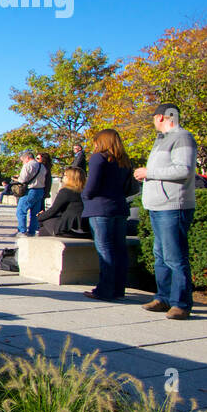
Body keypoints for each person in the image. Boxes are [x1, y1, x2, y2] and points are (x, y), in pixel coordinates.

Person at [134, 103, 198, 319]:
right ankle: (163, 297)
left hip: (173, 206)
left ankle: (181, 303)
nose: (152, 122)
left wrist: (148, 172)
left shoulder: (183, 137)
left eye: (153, 118)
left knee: (175, 257)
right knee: (160, 256)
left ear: (162, 117)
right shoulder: (161, 140)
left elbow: (184, 170)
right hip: (157, 206)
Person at [80, 129, 132, 301]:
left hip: (100, 208)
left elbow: (92, 185)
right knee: (119, 249)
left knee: (105, 249)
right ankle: (118, 289)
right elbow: (128, 187)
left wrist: (85, 196)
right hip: (119, 207)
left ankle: (104, 289)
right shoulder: (124, 161)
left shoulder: (98, 158)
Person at [38, 167, 89, 238]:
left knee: (44, 221)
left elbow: (53, 210)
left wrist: (40, 216)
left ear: (70, 178)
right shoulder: (86, 192)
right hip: (86, 229)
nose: (63, 177)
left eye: (64, 175)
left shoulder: (66, 191)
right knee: (45, 227)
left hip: (71, 229)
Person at [14, 151, 47, 237]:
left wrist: (17, 179)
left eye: (23, 160)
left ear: (27, 158)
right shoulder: (42, 166)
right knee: (35, 213)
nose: (23, 162)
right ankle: (32, 231)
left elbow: (23, 179)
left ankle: (22, 231)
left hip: (30, 190)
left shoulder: (28, 165)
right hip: (40, 190)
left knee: (21, 211)